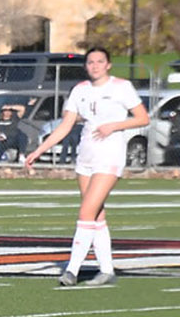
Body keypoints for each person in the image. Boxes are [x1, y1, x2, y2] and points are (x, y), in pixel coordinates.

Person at [24, 46, 150, 287]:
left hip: (110, 155)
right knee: (96, 215)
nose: (95, 66)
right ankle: (106, 269)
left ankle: (71, 270)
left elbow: (143, 118)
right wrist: (38, 151)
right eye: (90, 62)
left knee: (85, 213)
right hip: (86, 156)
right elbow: (65, 125)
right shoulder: (80, 90)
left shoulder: (121, 87)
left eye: (100, 61)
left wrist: (114, 126)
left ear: (108, 64)